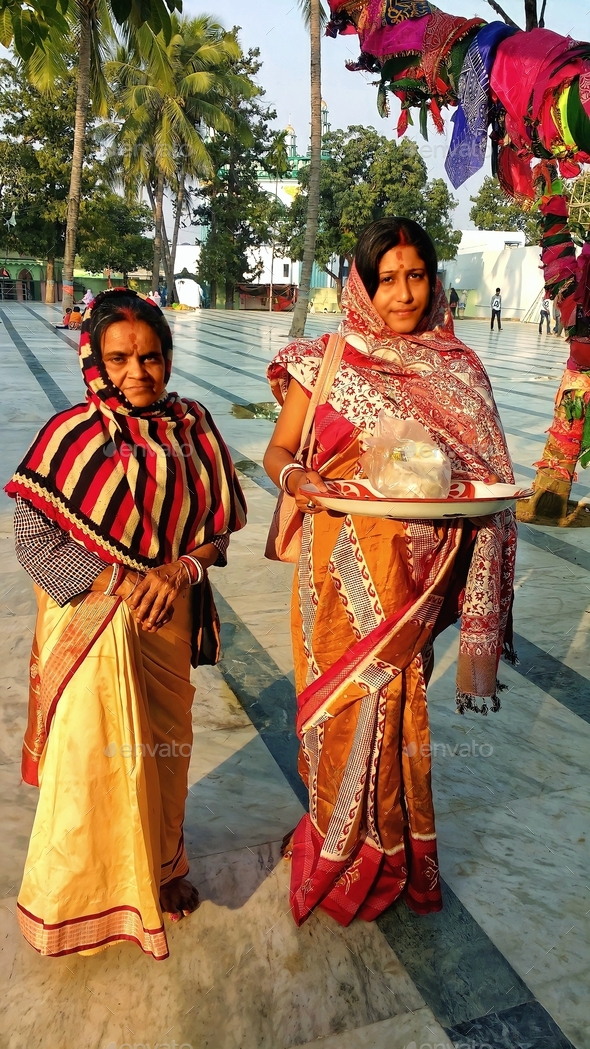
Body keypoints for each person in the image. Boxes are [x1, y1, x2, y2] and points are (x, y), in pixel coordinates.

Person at [264, 217, 517, 929]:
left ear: (433, 280)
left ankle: (390, 849)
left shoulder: (460, 368)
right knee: (342, 709)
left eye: (416, 275)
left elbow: (488, 478)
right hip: (339, 569)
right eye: (388, 277)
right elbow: (278, 450)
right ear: (361, 285)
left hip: (417, 578)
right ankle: (335, 838)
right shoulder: (328, 359)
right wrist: (299, 477)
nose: (404, 293)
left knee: (398, 705)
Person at [6, 288, 247, 959]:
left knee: (164, 756)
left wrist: (176, 573)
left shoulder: (195, 427)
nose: (137, 371)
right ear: (94, 360)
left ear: (168, 358)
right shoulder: (70, 435)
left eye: (150, 356)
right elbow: (32, 536)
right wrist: (119, 578)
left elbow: (218, 530)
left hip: (165, 618)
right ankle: (77, 895)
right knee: (92, 764)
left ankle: (163, 869)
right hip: (92, 622)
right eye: (119, 357)